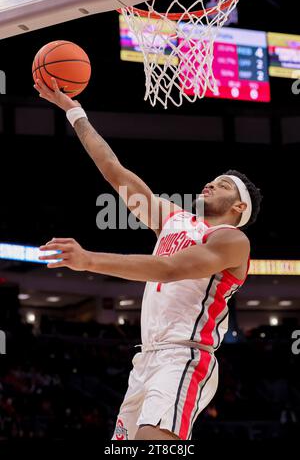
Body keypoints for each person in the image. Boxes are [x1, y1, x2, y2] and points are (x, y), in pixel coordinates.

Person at [35, 78, 263, 440]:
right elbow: (114, 170)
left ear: (238, 207)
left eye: (222, 185)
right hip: (145, 360)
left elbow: (170, 269)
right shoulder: (172, 219)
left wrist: (88, 260)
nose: (210, 184)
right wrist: (73, 111)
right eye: (213, 180)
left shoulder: (233, 241)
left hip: (183, 357)